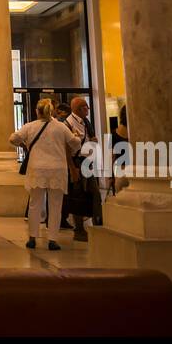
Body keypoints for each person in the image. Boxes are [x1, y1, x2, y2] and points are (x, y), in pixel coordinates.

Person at [9, 98, 82, 251]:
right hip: (57, 170)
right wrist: (76, 135)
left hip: (37, 170)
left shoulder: (30, 127)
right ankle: (52, 240)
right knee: (55, 205)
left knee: (35, 204)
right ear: (52, 111)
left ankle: (32, 238)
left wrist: (26, 145)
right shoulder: (61, 127)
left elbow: (13, 139)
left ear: (37, 111)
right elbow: (75, 143)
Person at [63, 96, 103, 239]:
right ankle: (79, 230)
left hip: (87, 162)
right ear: (78, 109)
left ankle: (99, 224)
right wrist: (72, 168)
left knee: (95, 193)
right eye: (86, 106)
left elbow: (91, 138)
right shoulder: (67, 124)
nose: (88, 109)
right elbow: (66, 148)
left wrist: (93, 141)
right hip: (77, 163)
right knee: (78, 195)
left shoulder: (86, 122)